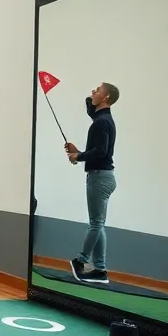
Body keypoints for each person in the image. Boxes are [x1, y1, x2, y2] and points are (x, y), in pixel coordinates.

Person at [65, 82, 119, 284]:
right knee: (99, 224)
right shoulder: (102, 119)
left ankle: (81, 261)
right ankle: (100, 270)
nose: (92, 92)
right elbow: (90, 106)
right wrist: (78, 154)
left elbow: (102, 151)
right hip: (103, 177)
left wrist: (78, 155)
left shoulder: (102, 122)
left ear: (106, 98)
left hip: (100, 177)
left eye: (97, 90)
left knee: (96, 223)